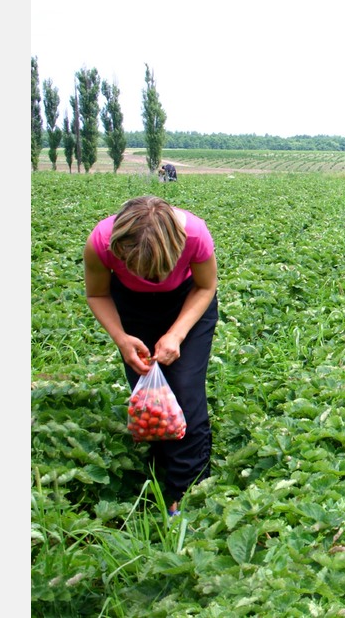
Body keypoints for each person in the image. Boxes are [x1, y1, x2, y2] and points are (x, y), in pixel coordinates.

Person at [83, 195, 218, 517]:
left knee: (184, 389)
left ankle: (188, 490)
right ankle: (160, 466)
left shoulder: (196, 235)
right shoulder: (100, 242)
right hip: (130, 308)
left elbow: (205, 286)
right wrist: (121, 339)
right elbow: (97, 293)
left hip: (187, 303)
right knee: (148, 394)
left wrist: (177, 333)